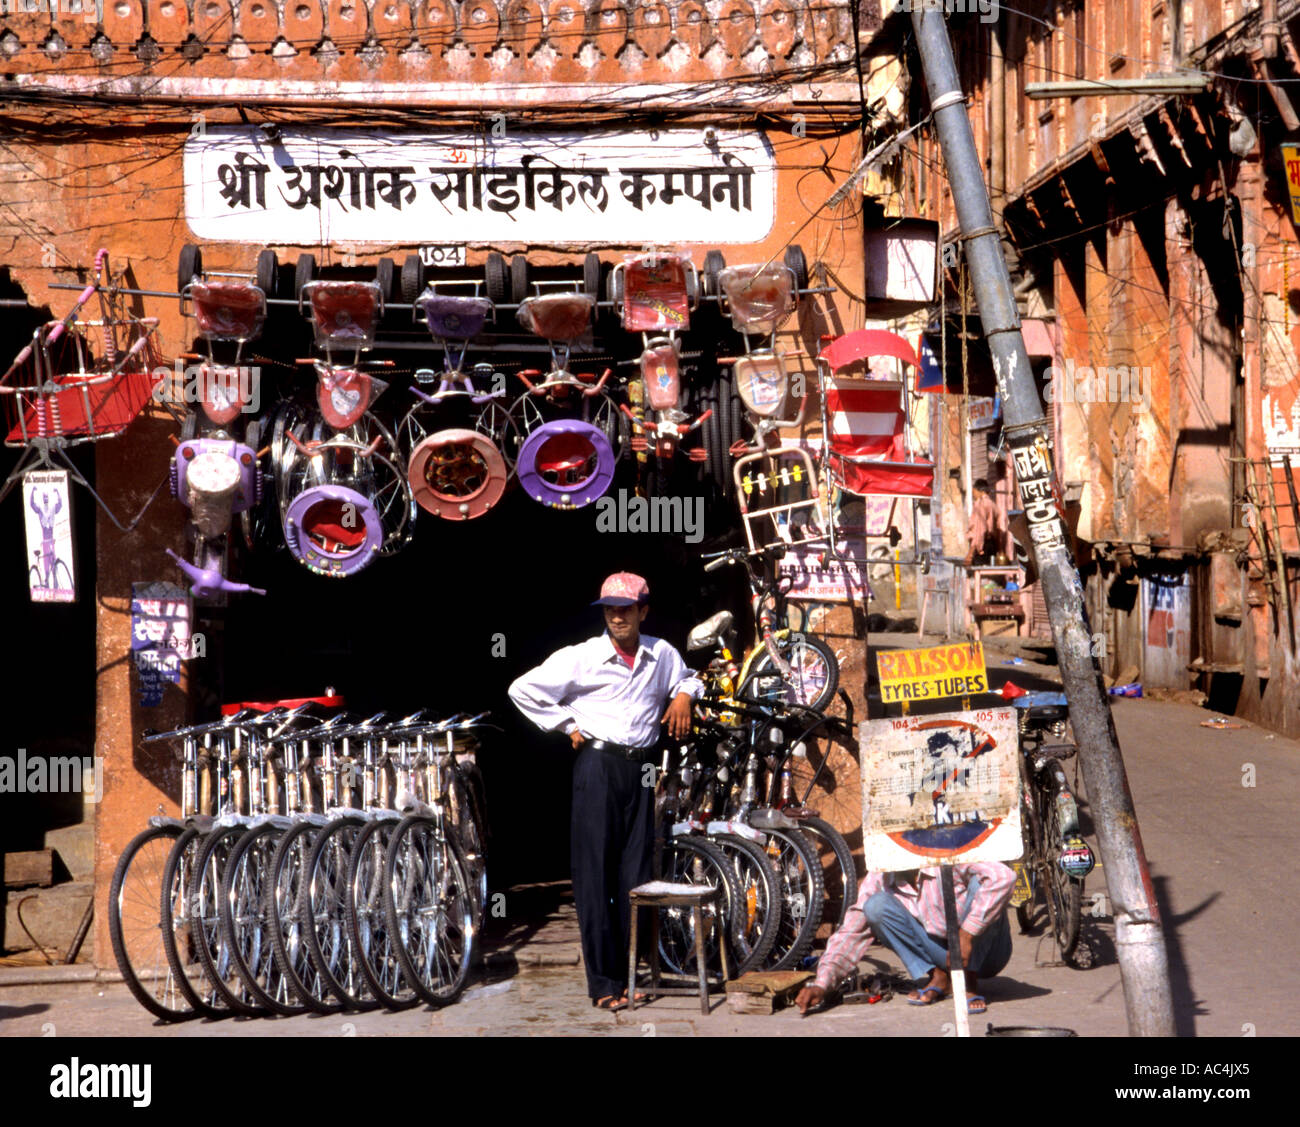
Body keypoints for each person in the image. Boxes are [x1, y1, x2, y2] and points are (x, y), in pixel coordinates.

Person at [508, 572, 703, 1011]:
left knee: (635, 877)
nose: (617, 616)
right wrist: (566, 725)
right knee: (595, 875)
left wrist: (683, 696)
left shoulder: (661, 654)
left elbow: (690, 678)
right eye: (610, 609)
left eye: (626, 609)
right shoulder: (582, 657)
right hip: (598, 767)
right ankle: (603, 984)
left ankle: (631, 975)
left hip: (642, 770)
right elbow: (521, 689)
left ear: (643, 612)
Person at [795, 862, 1015, 1016]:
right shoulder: (883, 872)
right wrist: (822, 983)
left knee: (983, 882)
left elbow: (1004, 877)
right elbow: (852, 929)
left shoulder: (948, 848)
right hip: (945, 954)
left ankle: (968, 978)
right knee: (875, 907)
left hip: (987, 952)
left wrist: (967, 934)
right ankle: (939, 975)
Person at [963, 478, 1005, 567]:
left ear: (980, 491)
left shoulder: (980, 504)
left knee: (979, 571)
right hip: (992, 545)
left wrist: (971, 553)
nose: (973, 495)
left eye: (974, 491)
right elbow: (998, 529)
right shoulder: (993, 505)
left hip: (982, 546)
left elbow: (980, 530)